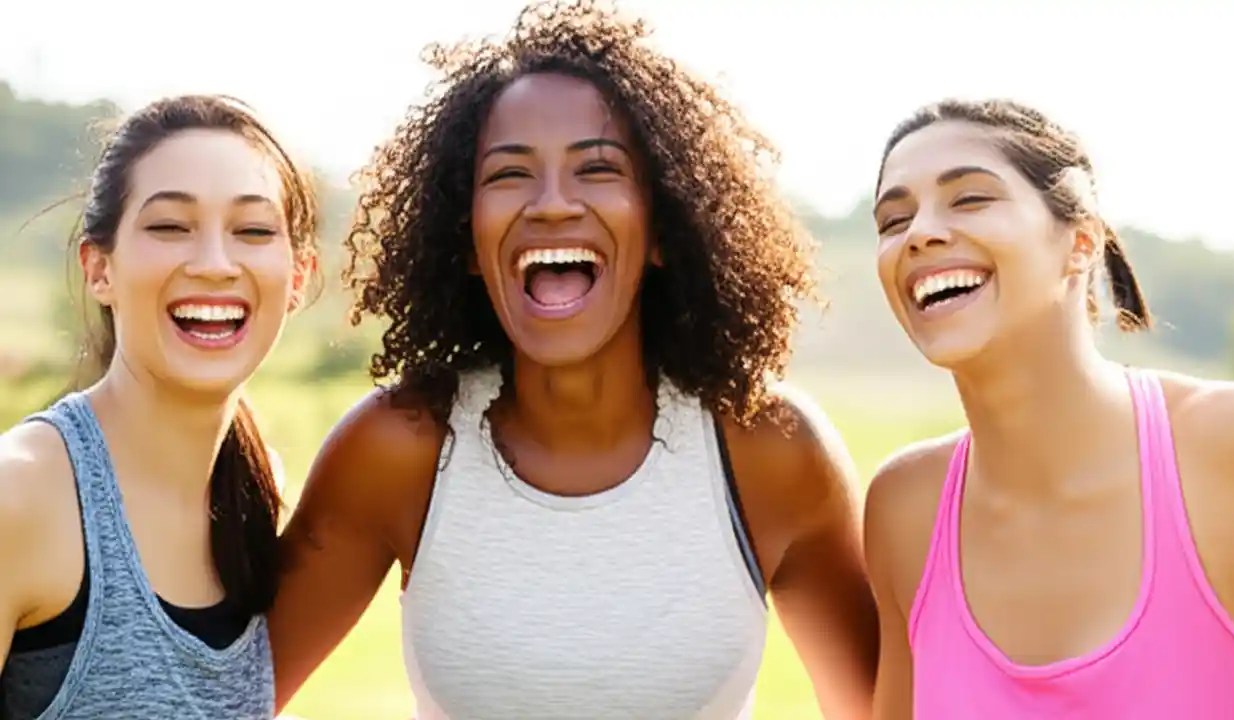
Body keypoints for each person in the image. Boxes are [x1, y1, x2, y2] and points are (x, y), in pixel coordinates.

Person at [267, 1, 879, 718]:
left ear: (662, 228)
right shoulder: (396, 450)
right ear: (465, 241)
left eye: (597, 169)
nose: (553, 204)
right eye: (509, 175)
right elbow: (226, 699)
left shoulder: (768, 447)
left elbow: (875, 710)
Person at [864, 97, 1234, 719]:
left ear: (1082, 240)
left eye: (971, 198)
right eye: (894, 220)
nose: (919, 232)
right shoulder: (904, 507)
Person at [0, 94, 318, 719]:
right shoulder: (21, 497)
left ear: (300, 276)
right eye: (170, 226)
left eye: (253, 231)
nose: (215, 265)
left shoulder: (257, 491)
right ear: (100, 268)